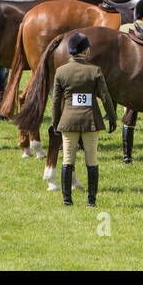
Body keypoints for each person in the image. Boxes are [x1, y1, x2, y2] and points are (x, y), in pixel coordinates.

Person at [51, 32, 116, 207]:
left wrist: (55, 122)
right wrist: (112, 117)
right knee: (91, 160)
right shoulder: (94, 70)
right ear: (85, 50)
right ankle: (91, 200)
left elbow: (56, 101)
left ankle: (67, 199)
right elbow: (105, 96)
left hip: (68, 120)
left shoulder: (61, 71)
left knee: (67, 159)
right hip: (91, 120)